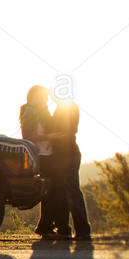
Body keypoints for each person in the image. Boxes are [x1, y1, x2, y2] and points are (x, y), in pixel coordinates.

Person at [19, 85, 66, 235]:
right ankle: (48, 226)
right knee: (52, 191)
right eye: (43, 96)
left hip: (49, 155)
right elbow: (27, 138)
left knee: (52, 192)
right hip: (41, 156)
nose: (46, 100)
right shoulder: (30, 112)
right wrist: (49, 137)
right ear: (35, 96)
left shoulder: (42, 112)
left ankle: (46, 226)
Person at [50, 100, 91, 240]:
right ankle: (65, 228)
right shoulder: (65, 107)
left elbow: (64, 132)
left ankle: (81, 230)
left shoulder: (67, 108)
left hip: (66, 153)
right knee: (62, 190)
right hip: (66, 152)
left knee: (71, 191)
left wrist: (49, 135)